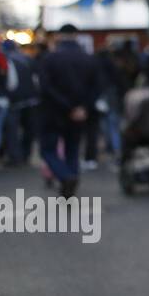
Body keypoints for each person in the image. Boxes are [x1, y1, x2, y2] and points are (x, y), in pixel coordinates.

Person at [37, 24, 100, 196]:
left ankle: (66, 177)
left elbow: (46, 88)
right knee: (73, 148)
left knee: (48, 149)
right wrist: (82, 107)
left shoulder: (50, 59)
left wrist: (68, 106)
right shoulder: (88, 59)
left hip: (54, 113)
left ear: (59, 36)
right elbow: (96, 87)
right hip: (78, 113)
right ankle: (71, 178)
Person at [2, 40, 39, 167]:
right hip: (31, 99)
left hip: (13, 100)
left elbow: (10, 82)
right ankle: (26, 154)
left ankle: (15, 156)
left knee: (12, 130)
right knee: (29, 129)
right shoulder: (28, 59)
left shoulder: (6, 59)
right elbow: (37, 79)